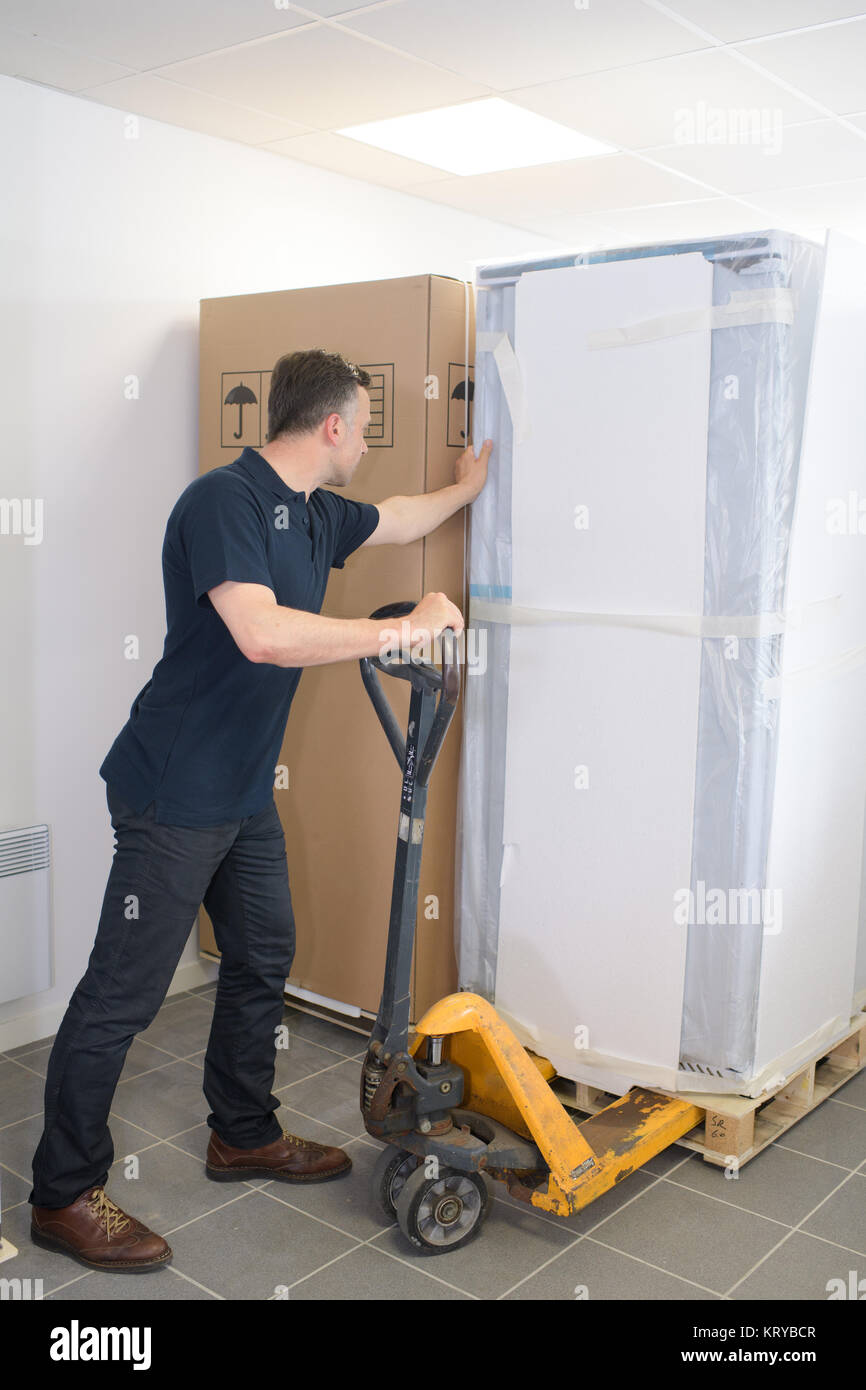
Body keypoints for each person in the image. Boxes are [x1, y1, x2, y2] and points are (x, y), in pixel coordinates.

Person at [28, 347, 493, 1273]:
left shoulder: (319, 513)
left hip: (239, 792)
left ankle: (241, 1133)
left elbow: (399, 518)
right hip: (173, 787)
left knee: (264, 952)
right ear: (330, 427)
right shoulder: (222, 502)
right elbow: (262, 632)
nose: (366, 440)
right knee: (125, 992)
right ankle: (62, 1193)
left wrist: (466, 488)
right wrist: (403, 628)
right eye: (363, 426)